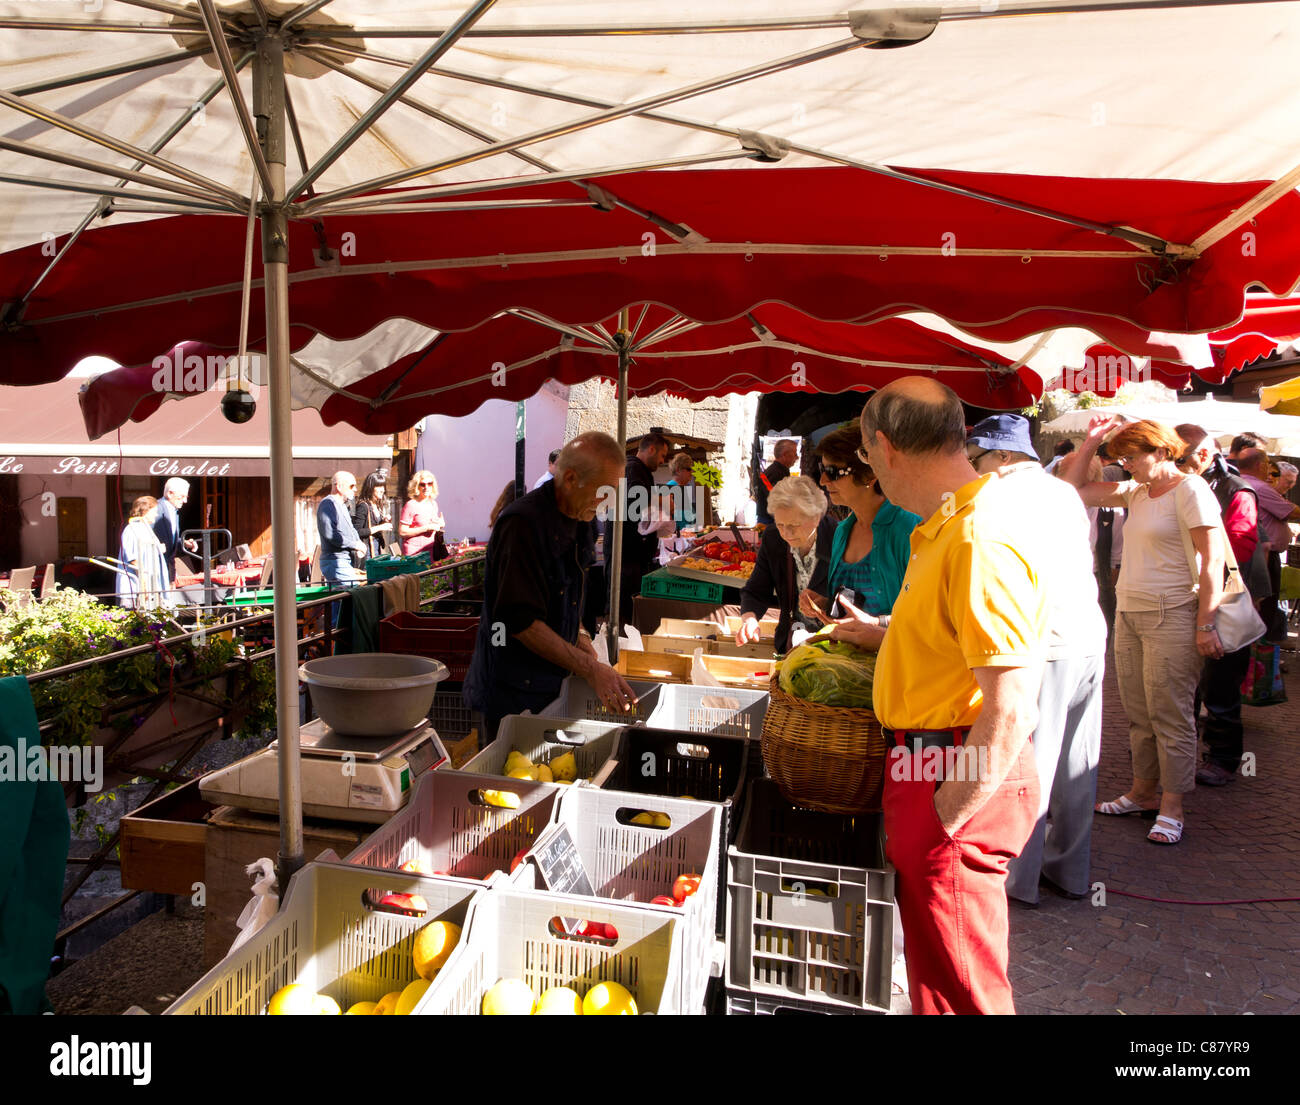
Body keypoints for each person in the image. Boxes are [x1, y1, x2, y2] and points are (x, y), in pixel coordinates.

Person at [860, 378, 1046, 1015]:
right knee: (941, 974)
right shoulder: (950, 527)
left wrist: (948, 814)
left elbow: (1014, 700)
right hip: (934, 764)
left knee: (963, 986)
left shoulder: (976, 536)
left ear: (883, 447)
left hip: (954, 767)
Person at [1061, 418, 1225, 846]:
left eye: (1132, 457)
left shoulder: (1190, 490)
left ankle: (1173, 806)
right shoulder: (1138, 491)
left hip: (1172, 613)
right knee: (1138, 711)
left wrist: (1206, 622)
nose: (1126, 465)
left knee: (1169, 714)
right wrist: (1093, 439)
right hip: (1130, 613)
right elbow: (1072, 490)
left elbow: (1213, 563)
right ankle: (1143, 792)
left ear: (1160, 450)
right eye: (1122, 458)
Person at [964, 415, 1107, 906]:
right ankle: (1069, 873)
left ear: (1002, 457)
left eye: (976, 458)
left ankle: (1017, 881)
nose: (970, 467)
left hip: (1047, 639)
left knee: (1034, 764)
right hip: (1087, 632)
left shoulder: (1000, 494)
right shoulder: (1061, 492)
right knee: (1078, 764)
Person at [463, 432, 638, 736]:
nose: (608, 503)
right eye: (605, 491)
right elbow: (521, 622)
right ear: (570, 478)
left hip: (553, 684)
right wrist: (590, 669)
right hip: (512, 691)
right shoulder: (521, 525)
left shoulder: (581, 517)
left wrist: (580, 635)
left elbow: (571, 594)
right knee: (508, 779)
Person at [1174, 426, 1270, 787]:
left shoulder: (1236, 489)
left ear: (1201, 455)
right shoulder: (1191, 484)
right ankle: (1198, 755)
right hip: (1198, 596)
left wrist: (1210, 605)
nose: (1175, 465)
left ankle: (1227, 761)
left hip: (1225, 600)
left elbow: (1239, 550)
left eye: (1178, 458)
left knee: (1221, 687)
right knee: (1197, 686)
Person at [803, 424, 918, 651]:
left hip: (897, 672)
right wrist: (826, 606)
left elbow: (931, 618)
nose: (824, 481)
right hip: (850, 669)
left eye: (834, 472)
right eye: (821, 469)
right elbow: (857, 607)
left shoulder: (909, 529)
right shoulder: (843, 531)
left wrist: (878, 624)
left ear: (870, 473)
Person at [735, 475, 837, 653]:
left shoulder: (837, 537)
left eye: (794, 525)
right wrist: (749, 619)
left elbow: (856, 596)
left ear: (816, 517)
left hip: (835, 644)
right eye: (780, 524)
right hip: (791, 642)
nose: (786, 533)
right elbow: (756, 590)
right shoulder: (773, 538)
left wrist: (827, 604)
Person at [1236, 446, 1299, 640]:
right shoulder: (1261, 488)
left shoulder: (1240, 482)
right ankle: (1261, 655)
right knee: (1263, 608)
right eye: (1271, 472)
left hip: (1252, 554)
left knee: (1259, 606)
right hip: (1263, 556)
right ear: (1261, 465)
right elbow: (1293, 512)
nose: (1271, 477)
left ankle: (1257, 655)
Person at [618, 431, 670, 627]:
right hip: (627, 556)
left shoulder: (639, 470)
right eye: (662, 455)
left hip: (634, 556)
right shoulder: (632, 468)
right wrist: (664, 503)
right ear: (651, 449)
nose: (663, 460)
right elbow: (636, 499)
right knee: (626, 613)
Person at [118, 496, 172, 610]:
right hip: (135, 589)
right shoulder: (132, 529)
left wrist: (158, 549)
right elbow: (133, 559)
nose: (156, 515)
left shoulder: (145, 528)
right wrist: (144, 585)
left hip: (150, 587)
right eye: (154, 512)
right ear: (145, 510)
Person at [316, 471, 367, 585]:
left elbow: (351, 529)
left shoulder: (342, 505)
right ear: (338, 486)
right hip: (335, 561)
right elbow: (331, 534)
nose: (355, 489)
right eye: (351, 486)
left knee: (347, 597)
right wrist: (356, 545)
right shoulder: (328, 504)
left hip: (342, 560)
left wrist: (359, 545)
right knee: (354, 593)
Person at [152, 477, 196, 584]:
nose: (185, 501)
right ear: (170, 494)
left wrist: (184, 543)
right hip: (155, 569)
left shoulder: (174, 511)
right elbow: (147, 537)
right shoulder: (156, 509)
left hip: (168, 569)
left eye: (186, 497)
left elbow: (169, 538)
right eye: (182, 497)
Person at [399, 469, 447, 559]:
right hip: (414, 553)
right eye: (422, 484)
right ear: (416, 487)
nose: (426, 487)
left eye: (429, 484)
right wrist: (426, 528)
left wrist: (440, 524)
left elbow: (432, 524)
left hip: (431, 550)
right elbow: (402, 531)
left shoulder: (433, 503)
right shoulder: (411, 505)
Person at [351, 470, 394, 561]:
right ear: (370, 488)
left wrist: (383, 521)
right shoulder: (363, 506)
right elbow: (357, 531)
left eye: (383, 486)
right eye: (378, 486)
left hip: (376, 551)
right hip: (366, 554)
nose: (382, 489)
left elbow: (372, 526)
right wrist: (381, 527)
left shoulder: (377, 505)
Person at [755, 438, 797, 524]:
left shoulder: (779, 471)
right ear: (785, 455)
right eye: (795, 454)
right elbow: (775, 498)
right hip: (769, 521)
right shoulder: (775, 473)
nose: (797, 457)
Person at [664, 452, 698, 532]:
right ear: (678, 470)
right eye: (689, 469)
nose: (691, 472)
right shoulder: (670, 488)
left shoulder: (681, 488)